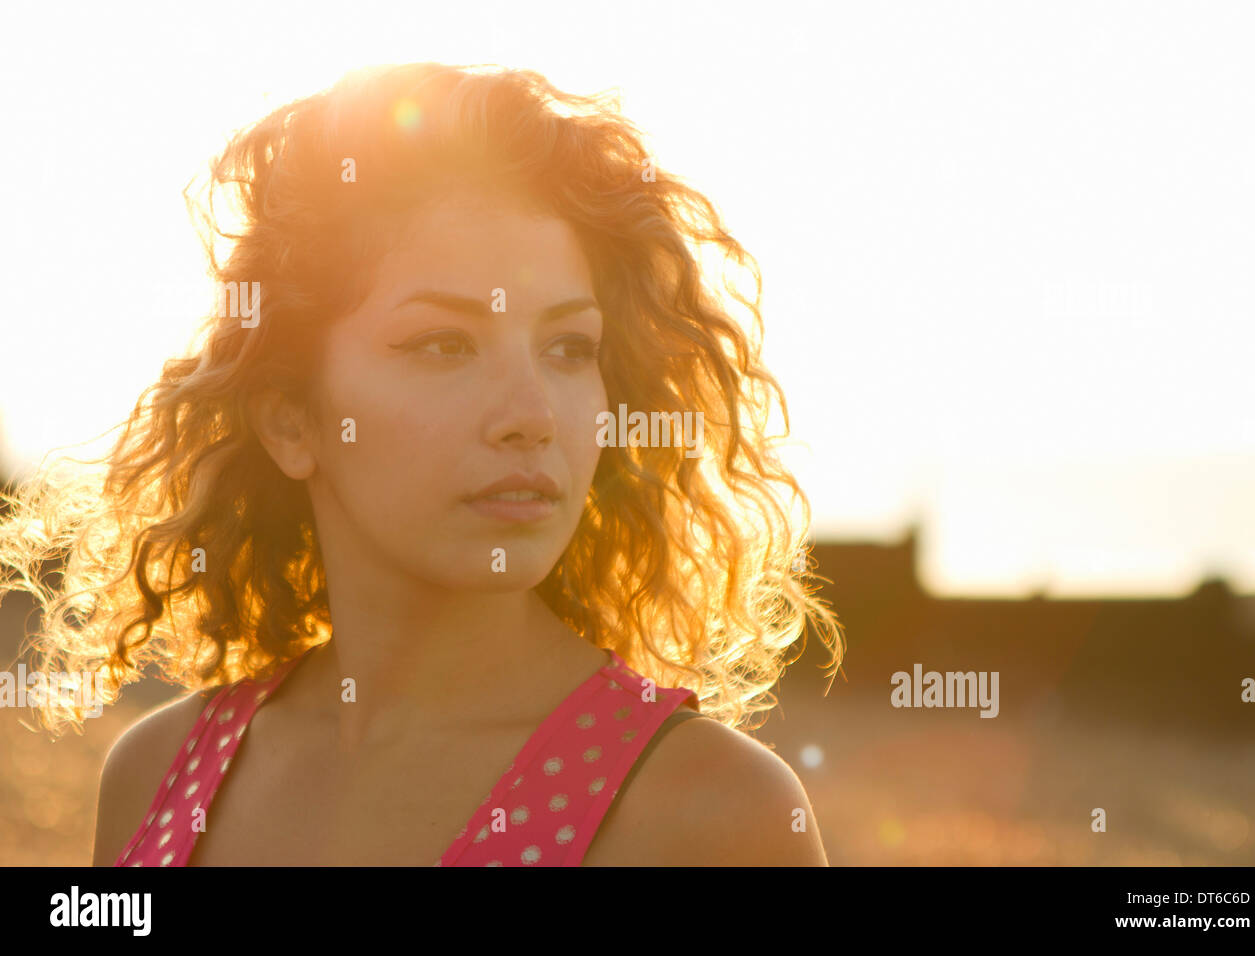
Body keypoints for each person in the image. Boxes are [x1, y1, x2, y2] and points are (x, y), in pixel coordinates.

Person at [0, 62, 843, 866]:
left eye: (569, 346)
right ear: (293, 419)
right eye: (444, 344)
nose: (531, 416)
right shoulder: (157, 774)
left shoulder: (714, 816)